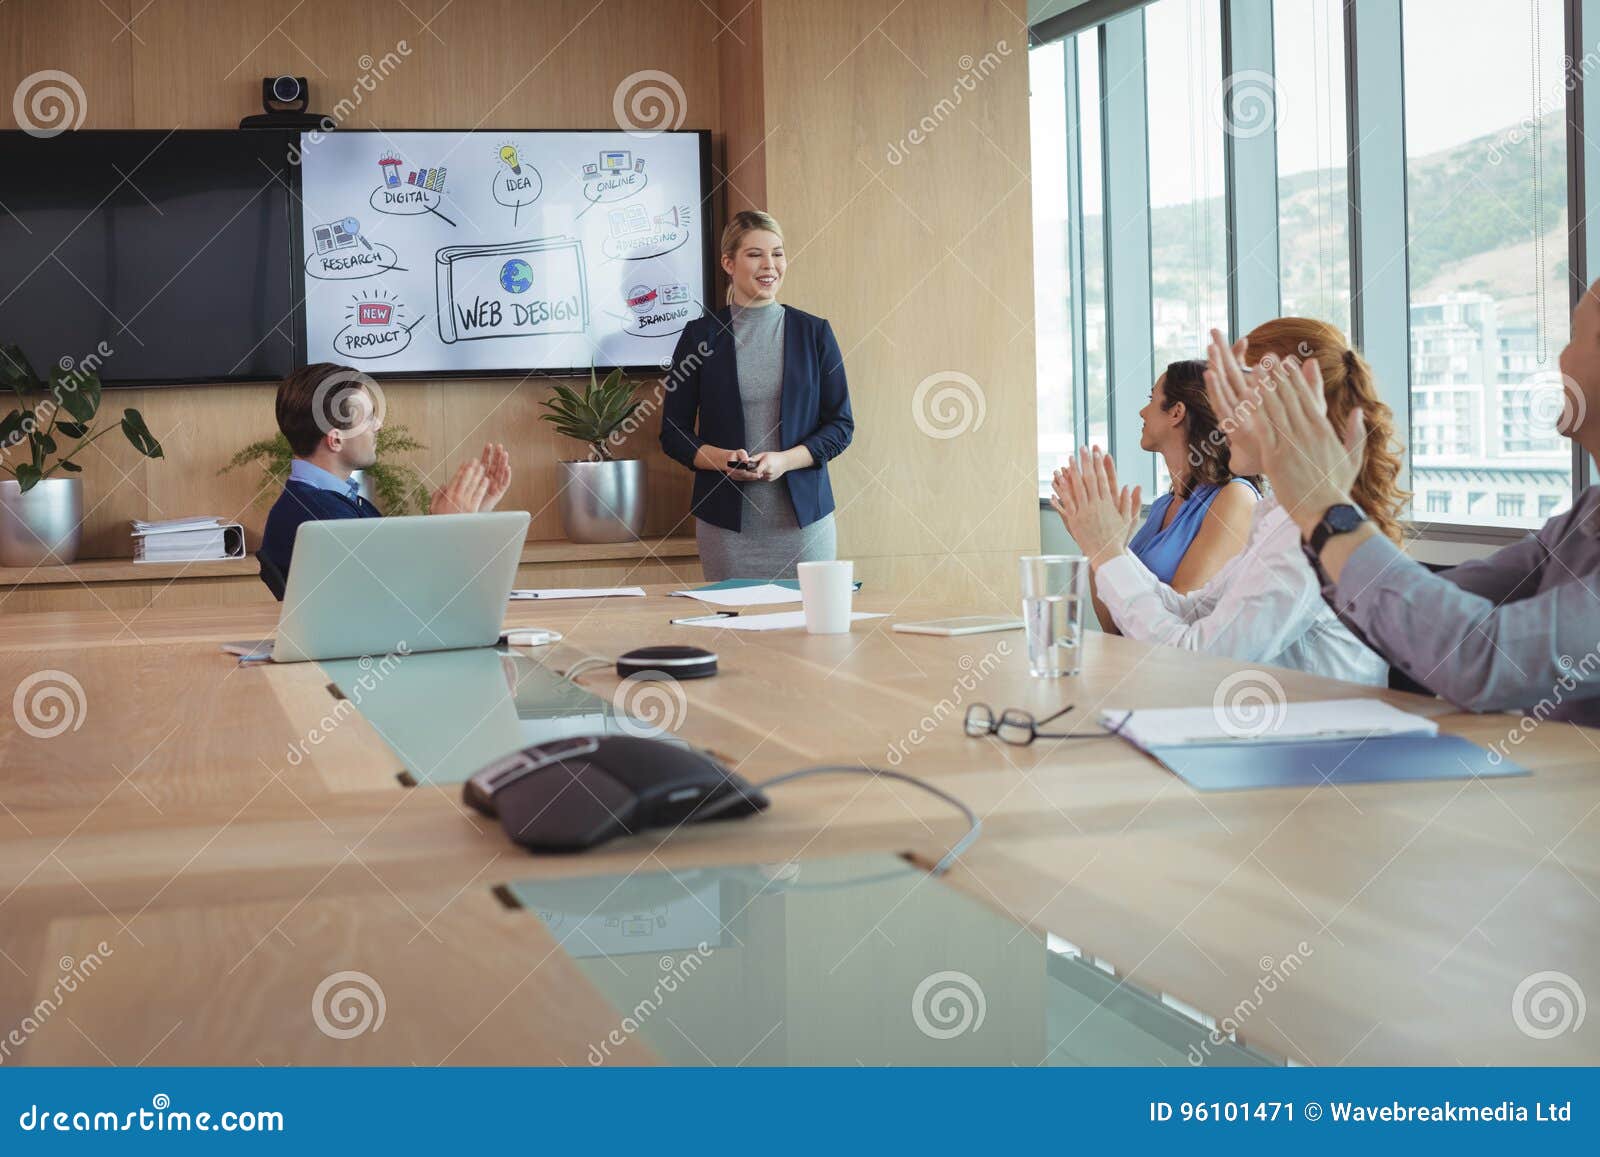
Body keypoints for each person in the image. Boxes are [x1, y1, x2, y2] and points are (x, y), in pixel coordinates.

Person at [1222, 280, 1600, 723]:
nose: (1560, 358)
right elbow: (1422, 610)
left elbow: (1483, 659)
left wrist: (1327, 512)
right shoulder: (1585, 517)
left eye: (1574, 337)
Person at [1051, 317, 1407, 684]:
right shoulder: (1280, 517)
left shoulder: (1303, 536)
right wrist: (1107, 547)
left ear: (1282, 409)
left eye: (1234, 399)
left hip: (1316, 736)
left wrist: (1107, 553)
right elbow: (1193, 611)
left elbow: (1196, 660)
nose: (1221, 418)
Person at [659, 210, 854, 581]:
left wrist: (784, 461)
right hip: (727, 530)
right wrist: (721, 460)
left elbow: (841, 426)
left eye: (778, 253)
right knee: (730, 632)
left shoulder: (815, 333)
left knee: (806, 635)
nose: (770, 265)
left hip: (803, 527)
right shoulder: (700, 336)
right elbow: (673, 432)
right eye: (755, 254)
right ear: (728, 263)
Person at [258, 362, 511, 593]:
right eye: (368, 418)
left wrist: (472, 515)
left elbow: (395, 573)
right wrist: (446, 530)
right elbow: (397, 596)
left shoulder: (326, 504)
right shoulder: (324, 518)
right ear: (336, 439)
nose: (378, 425)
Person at [1076, 360, 1258, 636]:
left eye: (1151, 399)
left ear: (1176, 412)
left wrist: (1107, 547)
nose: (1142, 411)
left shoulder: (1235, 498)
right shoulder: (1163, 506)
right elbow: (1114, 625)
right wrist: (1095, 543)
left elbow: (1180, 620)